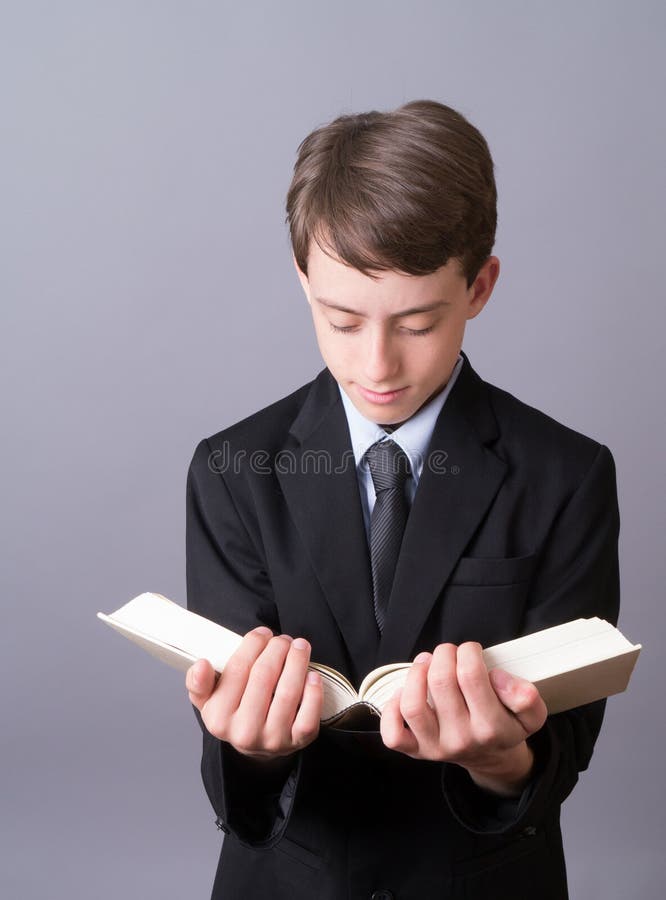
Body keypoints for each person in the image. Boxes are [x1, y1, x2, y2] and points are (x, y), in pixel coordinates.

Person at [184, 100, 620, 900]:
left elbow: (567, 750)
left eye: (417, 322)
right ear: (303, 282)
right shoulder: (231, 470)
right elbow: (233, 781)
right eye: (340, 320)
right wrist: (252, 747)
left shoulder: (567, 474)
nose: (377, 364)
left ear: (479, 286)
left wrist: (499, 759)